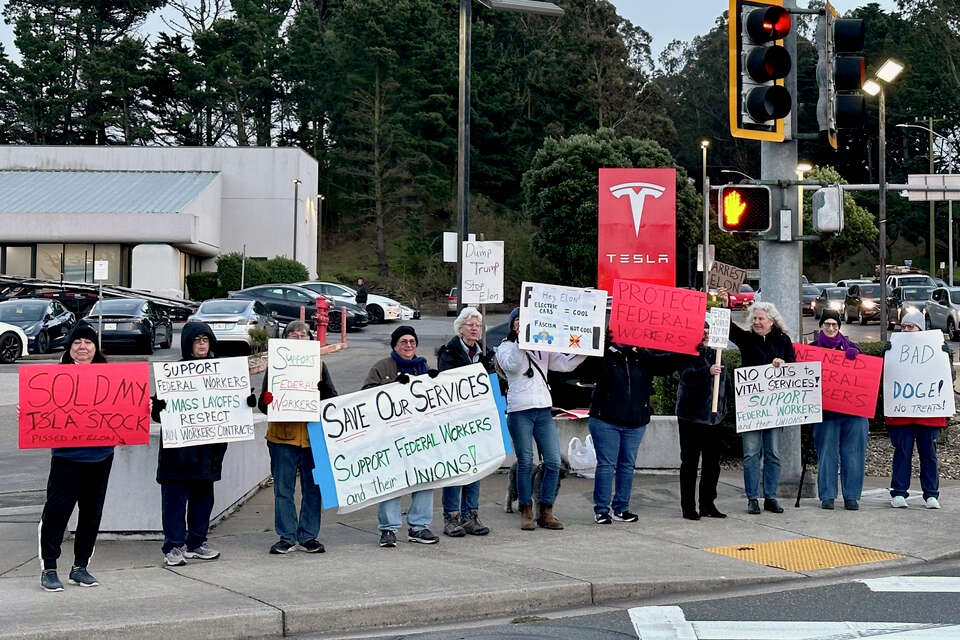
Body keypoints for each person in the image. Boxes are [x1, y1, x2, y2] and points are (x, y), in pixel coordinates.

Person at [152, 322, 256, 566]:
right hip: (177, 455)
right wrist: (159, 407)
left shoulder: (224, 372)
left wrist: (246, 402)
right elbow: (158, 416)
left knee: (203, 500)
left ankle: (196, 543)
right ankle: (173, 546)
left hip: (208, 454)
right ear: (188, 343)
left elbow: (234, 407)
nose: (201, 344)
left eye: (205, 340)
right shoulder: (173, 375)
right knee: (174, 502)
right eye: (197, 340)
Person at [36, 325, 114, 592]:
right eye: (77, 342)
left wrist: (142, 407)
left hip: (101, 456)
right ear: (69, 349)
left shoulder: (112, 378)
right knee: (57, 512)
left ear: (96, 348)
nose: (83, 347)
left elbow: (127, 407)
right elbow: (39, 410)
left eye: (88, 342)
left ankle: (80, 566)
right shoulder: (54, 377)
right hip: (66, 457)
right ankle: (49, 568)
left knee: (92, 514)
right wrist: (29, 411)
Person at [496, 307, 586, 531]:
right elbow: (513, 366)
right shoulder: (506, 348)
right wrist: (521, 340)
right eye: (517, 320)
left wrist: (586, 349)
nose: (520, 323)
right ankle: (525, 509)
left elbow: (565, 364)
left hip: (543, 410)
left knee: (554, 462)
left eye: (524, 320)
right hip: (519, 411)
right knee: (526, 462)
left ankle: (546, 510)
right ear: (512, 325)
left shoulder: (542, 347)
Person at [258, 321, 337, 554]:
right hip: (282, 438)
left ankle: (309, 536)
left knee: (314, 490)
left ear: (310, 340)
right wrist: (268, 400)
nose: (297, 337)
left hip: (314, 438)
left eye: (302, 335)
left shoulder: (320, 366)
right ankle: (287, 536)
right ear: (284, 339)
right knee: (283, 489)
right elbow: (265, 405)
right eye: (292, 334)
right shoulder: (275, 367)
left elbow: (332, 400)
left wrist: (323, 390)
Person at [589, 334, 682, 525]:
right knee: (607, 465)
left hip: (635, 421)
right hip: (606, 419)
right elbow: (584, 368)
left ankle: (621, 508)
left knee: (627, 465)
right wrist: (606, 342)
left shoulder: (642, 355)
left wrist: (689, 349)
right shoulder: (602, 354)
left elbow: (666, 364)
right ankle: (601, 510)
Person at [362, 325, 440, 547]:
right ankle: (388, 529)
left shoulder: (424, 367)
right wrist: (392, 385)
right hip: (391, 436)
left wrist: (436, 382)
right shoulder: (382, 367)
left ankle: (419, 526)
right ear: (395, 345)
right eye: (403, 342)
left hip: (420, 436)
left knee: (425, 478)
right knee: (392, 480)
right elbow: (365, 396)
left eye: (412, 342)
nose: (408, 345)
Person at [727, 300, 795, 515]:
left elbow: (793, 367)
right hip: (751, 408)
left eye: (760, 319)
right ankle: (752, 498)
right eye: (754, 318)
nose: (756, 322)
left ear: (771, 321)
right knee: (750, 454)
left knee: (773, 453)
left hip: (774, 408)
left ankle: (771, 496)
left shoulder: (783, 340)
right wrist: (720, 303)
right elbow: (727, 327)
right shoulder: (746, 339)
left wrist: (783, 364)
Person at [436, 307, 495, 537]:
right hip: (455, 420)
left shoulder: (484, 353)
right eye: (470, 325)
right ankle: (451, 517)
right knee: (456, 468)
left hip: (478, 420)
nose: (474, 329)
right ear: (460, 328)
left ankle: (471, 514)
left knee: (476, 466)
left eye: (478, 326)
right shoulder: (449, 352)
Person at [885, 310, 951, 510]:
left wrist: (944, 357)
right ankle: (898, 492)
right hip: (902, 414)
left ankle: (931, 494)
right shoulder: (895, 349)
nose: (906, 330)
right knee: (902, 453)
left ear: (921, 329)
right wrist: (886, 355)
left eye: (911, 326)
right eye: (903, 326)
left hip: (928, 414)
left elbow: (946, 379)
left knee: (929, 454)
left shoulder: (934, 349)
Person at [809, 310, 869, 511]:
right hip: (826, 415)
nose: (831, 328)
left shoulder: (852, 348)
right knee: (827, 454)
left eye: (835, 324)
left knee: (853, 454)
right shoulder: (810, 351)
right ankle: (827, 495)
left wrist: (857, 358)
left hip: (854, 414)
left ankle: (851, 496)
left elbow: (865, 375)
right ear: (821, 326)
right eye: (827, 324)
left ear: (839, 327)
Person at [675, 321, 729, 520]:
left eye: (708, 330)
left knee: (712, 464)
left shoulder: (717, 353)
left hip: (715, 418)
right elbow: (685, 376)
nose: (705, 334)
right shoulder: (687, 352)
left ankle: (708, 503)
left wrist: (725, 407)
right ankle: (688, 507)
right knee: (690, 462)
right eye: (701, 330)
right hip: (692, 416)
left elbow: (725, 383)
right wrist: (706, 372)